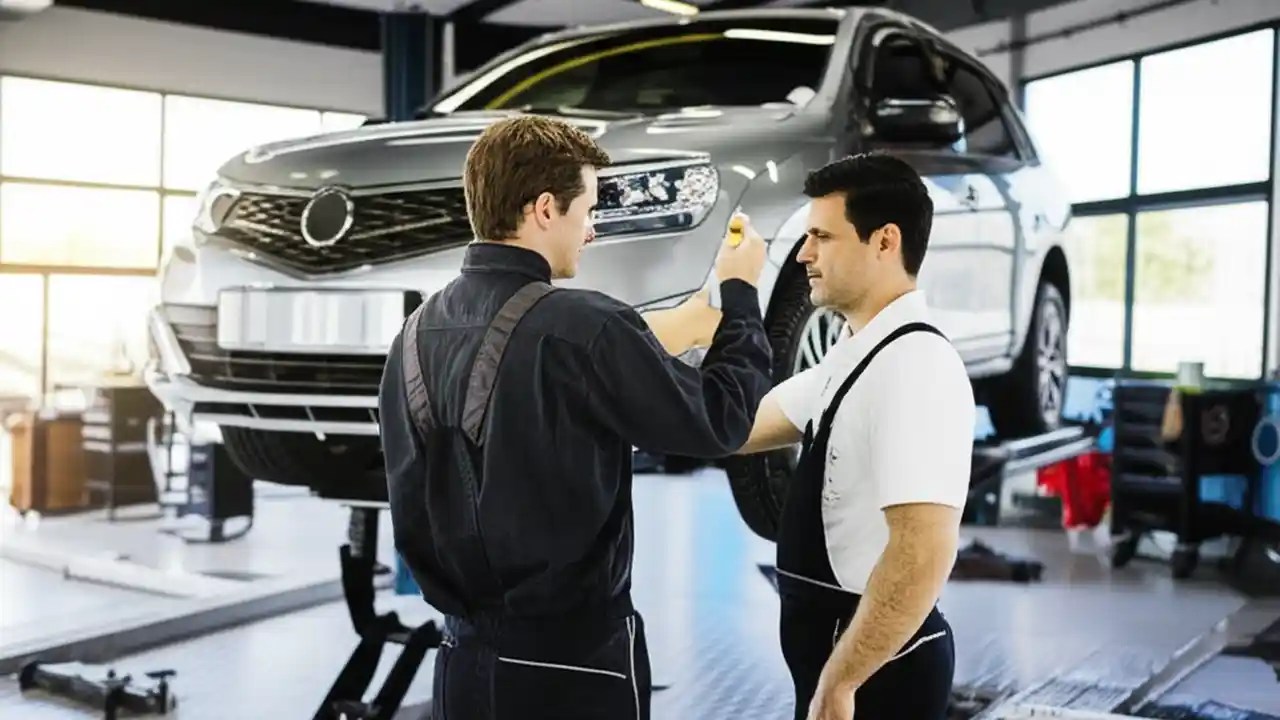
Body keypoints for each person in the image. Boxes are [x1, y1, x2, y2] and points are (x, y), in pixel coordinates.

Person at [377, 115, 774, 720]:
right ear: (544, 209)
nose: (591, 230)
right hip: (574, 667)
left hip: (461, 664)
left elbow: (526, 375)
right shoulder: (587, 325)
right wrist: (741, 296)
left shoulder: (411, 338)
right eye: (587, 210)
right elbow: (720, 421)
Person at [732, 153, 976, 720]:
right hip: (844, 668)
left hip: (880, 676)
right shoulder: (852, 358)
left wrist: (842, 681)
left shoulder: (916, 365)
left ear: (885, 241)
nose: (804, 253)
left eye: (822, 236)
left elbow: (923, 550)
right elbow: (733, 427)